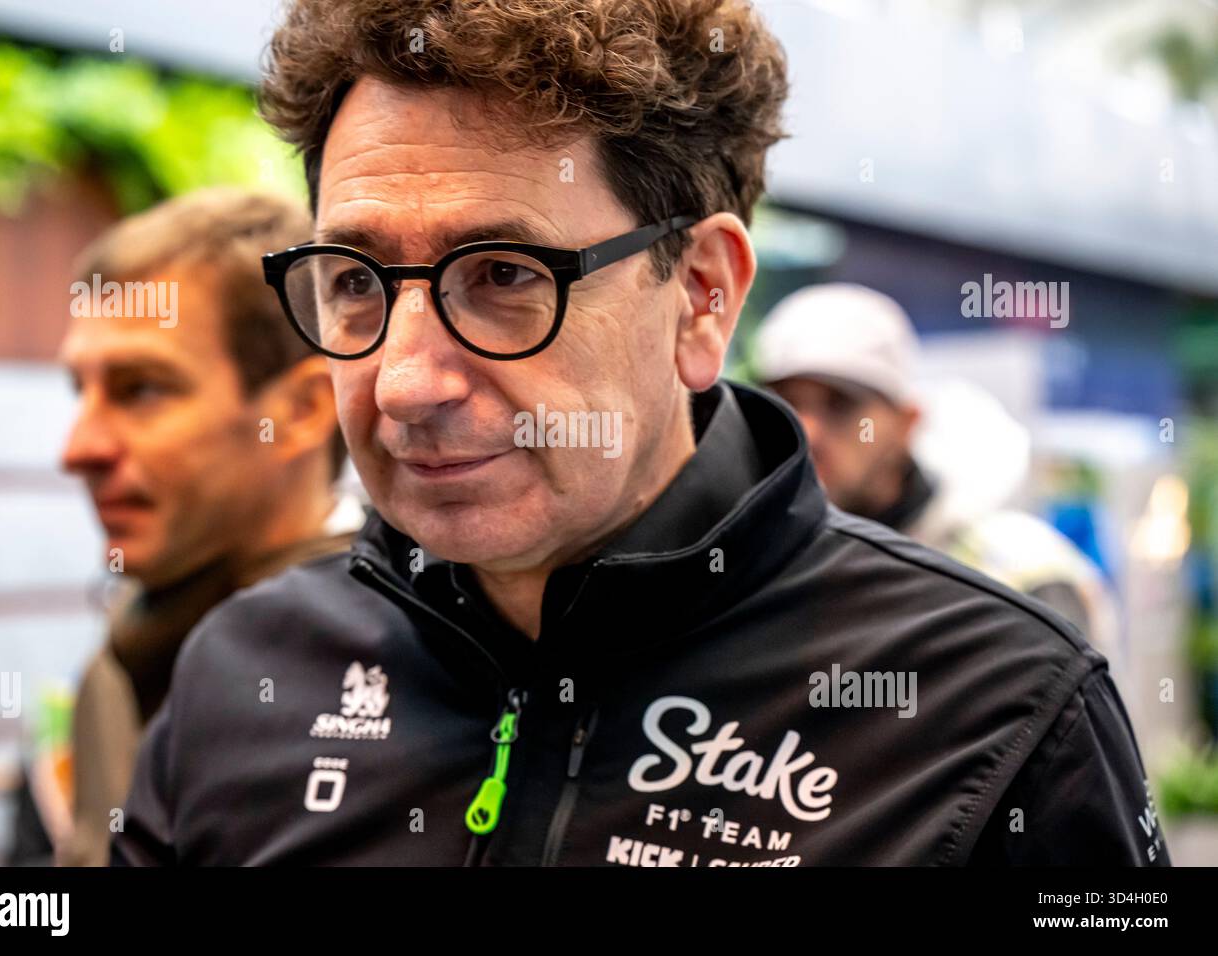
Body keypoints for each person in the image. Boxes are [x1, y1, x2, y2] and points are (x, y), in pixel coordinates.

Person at [114, 0, 1166, 866]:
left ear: (702, 295)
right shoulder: (240, 674)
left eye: (505, 278)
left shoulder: (999, 716)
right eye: (355, 281)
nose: (404, 381)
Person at [50, 188, 359, 865]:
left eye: (142, 389)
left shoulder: (401, 677)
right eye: (82, 391)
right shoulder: (122, 655)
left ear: (305, 409)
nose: (78, 449)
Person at [754, 282, 1122, 669]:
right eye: (786, 403)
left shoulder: (1020, 571)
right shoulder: (765, 568)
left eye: (840, 404)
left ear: (907, 422)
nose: (807, 431)